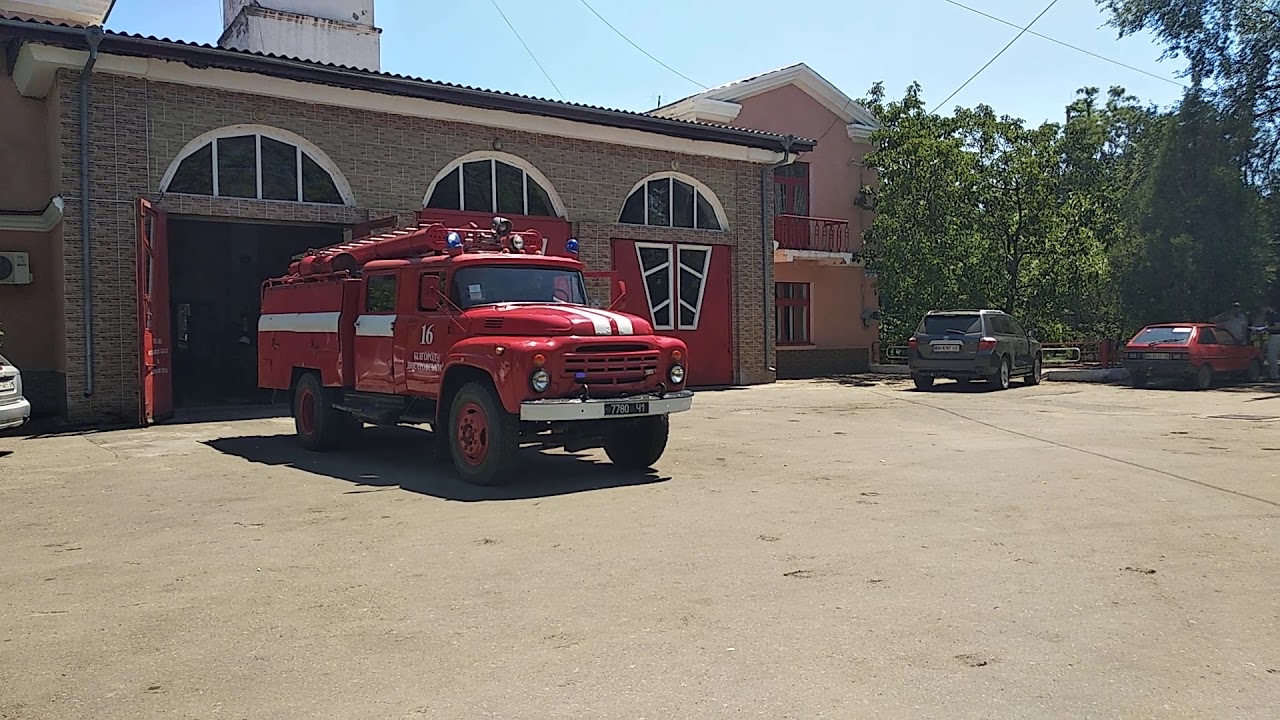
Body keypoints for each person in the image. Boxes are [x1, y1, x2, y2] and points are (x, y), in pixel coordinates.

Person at [1262, 304, 1280, 381]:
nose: (1262, 310)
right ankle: (1272, 374)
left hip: (1276, 336)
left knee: (1272, 356)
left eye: (1263, 308)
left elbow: (1278, 326)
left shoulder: (1275, 315)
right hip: (1272, 336)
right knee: (1270, 356)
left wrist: (1266, 328)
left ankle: (1274, 375)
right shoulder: (1269, 316)